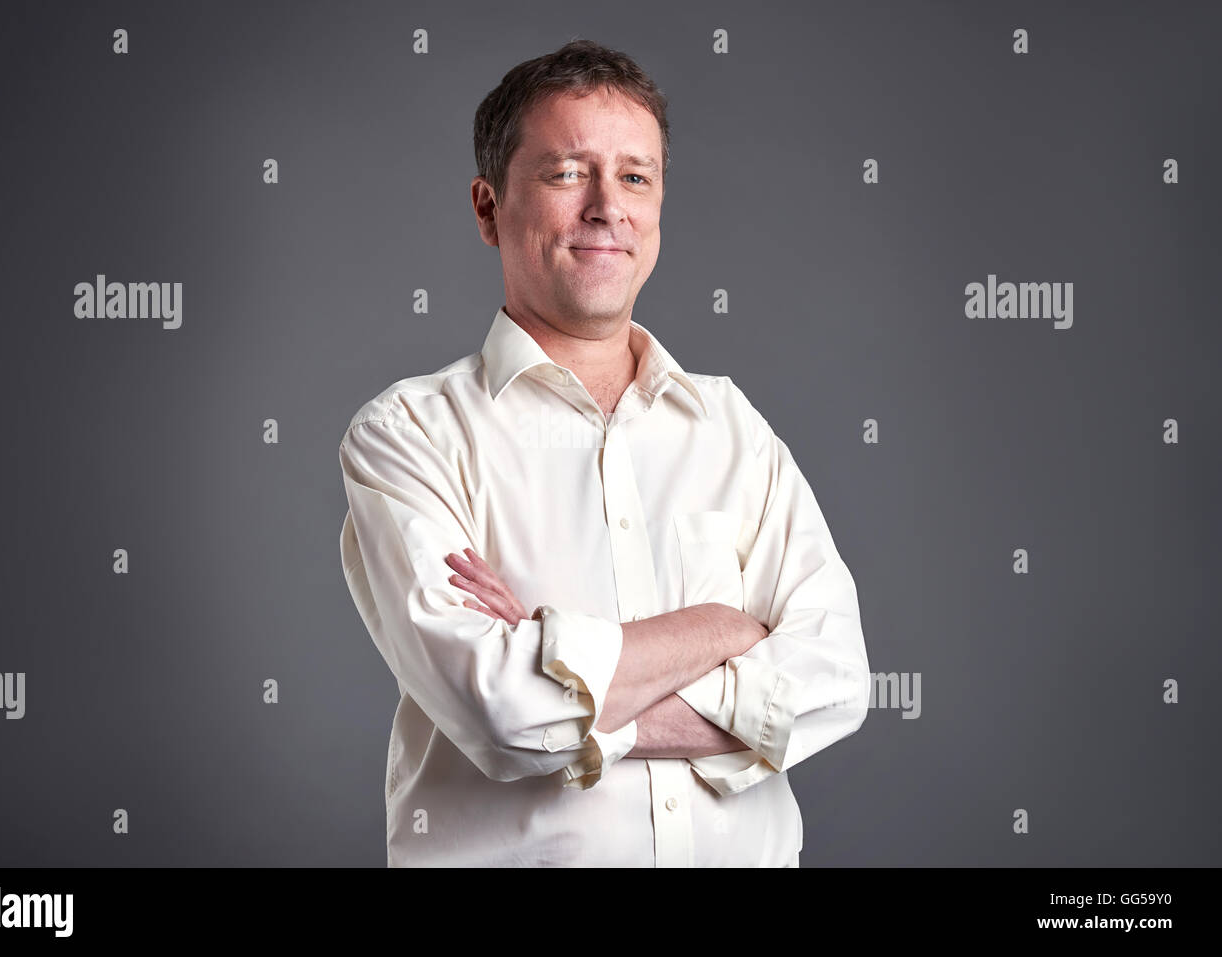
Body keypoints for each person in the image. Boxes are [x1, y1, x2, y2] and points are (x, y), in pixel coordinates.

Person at [338, 38, 870, 867]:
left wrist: (557, 653)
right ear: (488, 208)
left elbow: (834, 679)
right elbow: (503, 720)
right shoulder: (409, 435)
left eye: (634, 176)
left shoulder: (733, 428)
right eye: (564, 173)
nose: (606, 208)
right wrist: (721, 628)